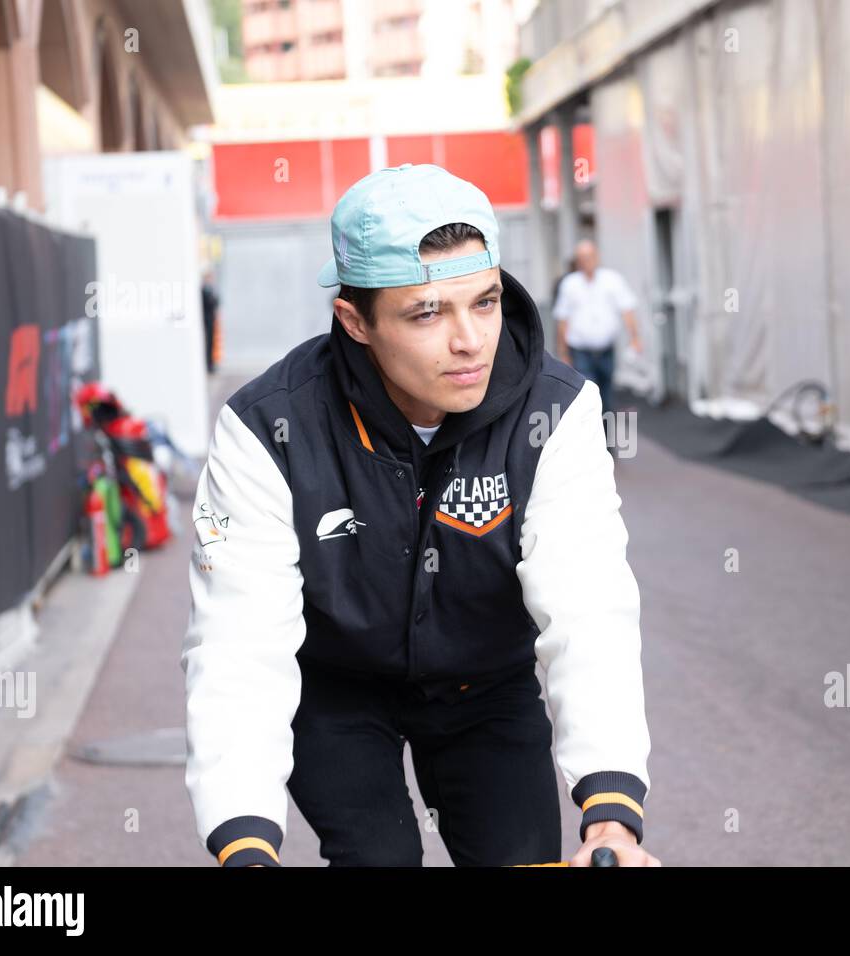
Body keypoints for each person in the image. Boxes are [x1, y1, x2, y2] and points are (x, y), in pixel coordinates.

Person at [180, 163, 658, 868]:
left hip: (487, 685)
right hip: (338, 689)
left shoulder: (557, 411)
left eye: (486, 302)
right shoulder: (267, 428)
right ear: (355, 320)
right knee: (382, 858)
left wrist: (612, 813)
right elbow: (237, 641)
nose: (470, 341)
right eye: (428, 312)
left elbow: (590, 607)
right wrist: (244, 840)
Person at [551, 238, 642, 452]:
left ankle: (608, 443)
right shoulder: (570, 284)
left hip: (606, 349)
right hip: (581, 350)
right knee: (589, 395)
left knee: (607, 396)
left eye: (589, 257)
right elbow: (562, 321)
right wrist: (563, 352)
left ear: (597, 257)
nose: (586, 262)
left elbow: (627, 310)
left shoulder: (612, 280)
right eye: (582, 258)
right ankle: (593, 445)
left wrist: (635, 337)